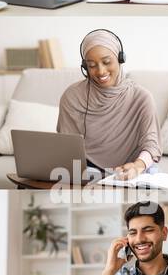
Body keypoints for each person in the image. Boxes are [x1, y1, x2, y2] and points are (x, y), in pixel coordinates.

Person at [57, 29, 160, 180]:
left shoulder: (141, 97)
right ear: (85, 67)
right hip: (86, 170)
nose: (100, 71)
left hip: (130, 169)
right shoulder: (72, 97)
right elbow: (66, 146)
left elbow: (151, 145)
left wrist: (138, 166)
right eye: (92, 65)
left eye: (106, 62)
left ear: (120, 59)